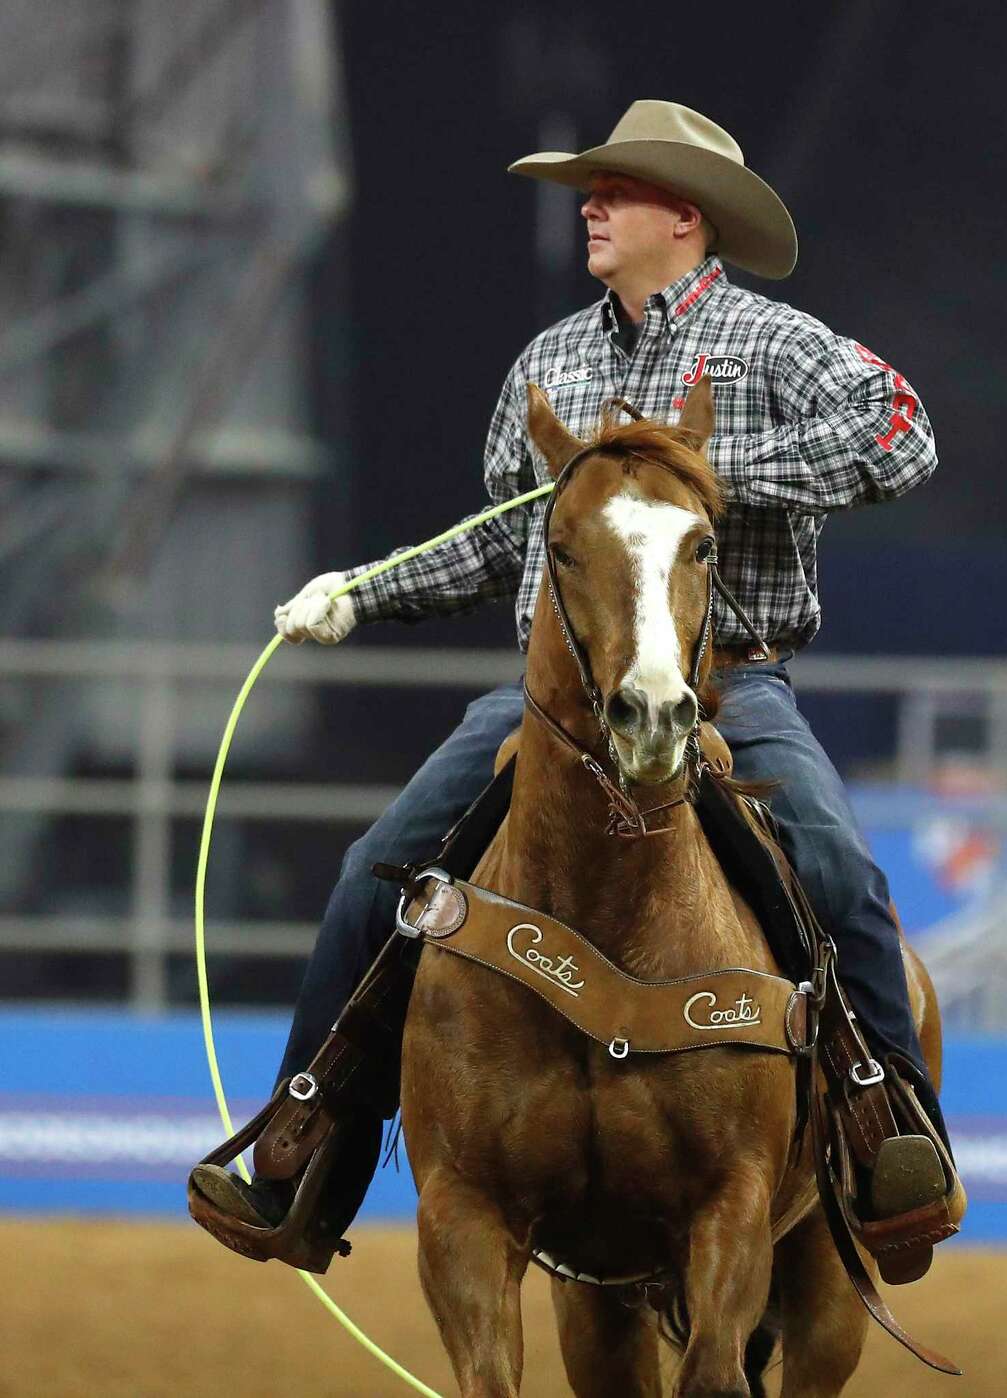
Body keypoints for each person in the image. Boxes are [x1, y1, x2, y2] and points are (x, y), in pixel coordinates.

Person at [192, 99, 965, 1273]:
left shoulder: (778, 344)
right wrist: (367, 589)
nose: (591, 206)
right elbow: (507, 538)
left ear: (686, 217)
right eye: (590, 189)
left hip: (729, 688)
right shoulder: (548, 361)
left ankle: (889, 1129)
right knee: (375, 872)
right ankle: (307, 1149)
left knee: (841, 872)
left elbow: (903, 437)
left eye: (617, 189)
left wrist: (692, 475)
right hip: (555, 706)